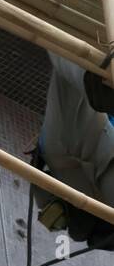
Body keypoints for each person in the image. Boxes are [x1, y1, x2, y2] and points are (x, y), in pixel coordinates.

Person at [33, 53, 114, 248]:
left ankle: (97, 78)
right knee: (69, 49)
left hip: (75, 157)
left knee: (68, 50)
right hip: (78, 146)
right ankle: (96, 78)